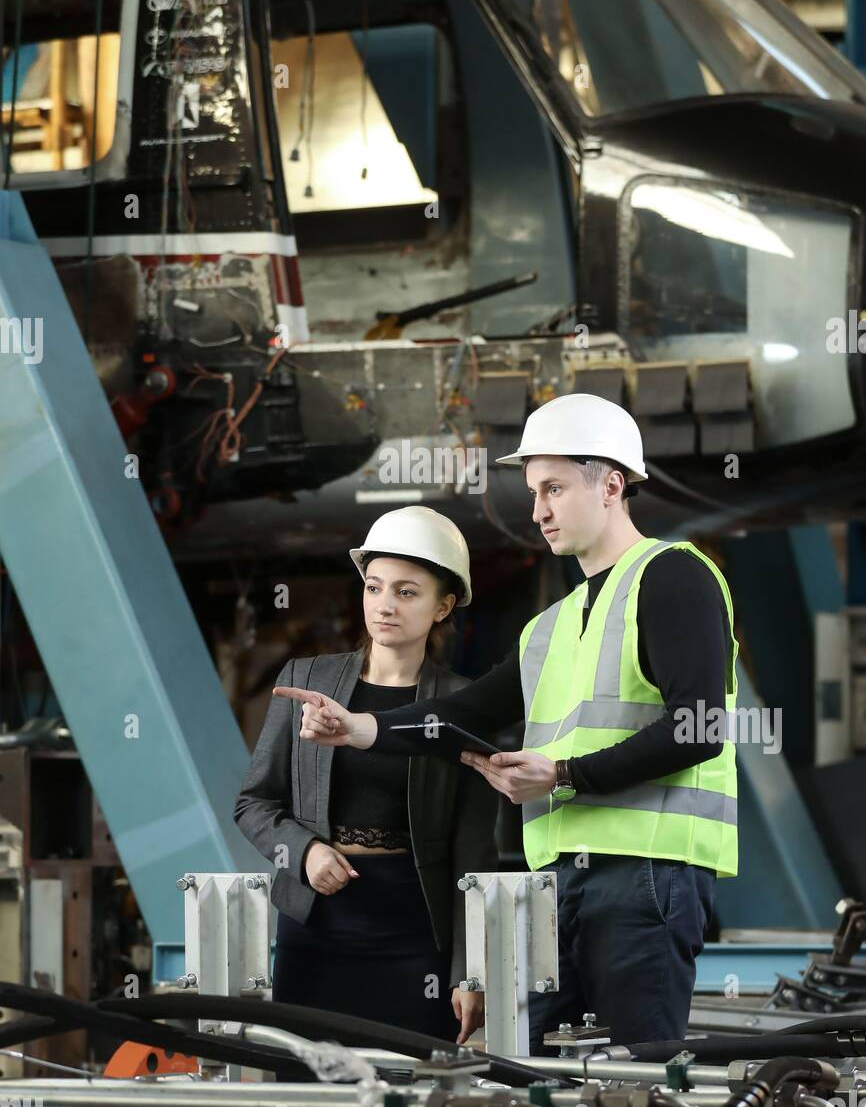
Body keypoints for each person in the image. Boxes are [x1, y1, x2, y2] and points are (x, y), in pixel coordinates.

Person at [276, 394, 739, 1053]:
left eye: (553, 487)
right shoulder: (547, 629)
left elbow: (699, 727)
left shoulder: (673, 578)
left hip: (648, 873)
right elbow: (462, 714)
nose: (538, 510)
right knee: (527, 1068)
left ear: (611, 484)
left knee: (638, 1078)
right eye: (532, 491)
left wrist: (564, 775)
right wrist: (360, 730)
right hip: (559, 882)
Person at [234, 506, 498, 1047]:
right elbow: (254, 805)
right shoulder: (305, 679)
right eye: (375, 587)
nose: (385, 605)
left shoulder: (463, 706)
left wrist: (471, 971)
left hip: (415, 931)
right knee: (308, 1091)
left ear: (443, 606)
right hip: (316, 924)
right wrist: (304, 851)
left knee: (410, 1088)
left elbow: (474, 852)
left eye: (407, 592)